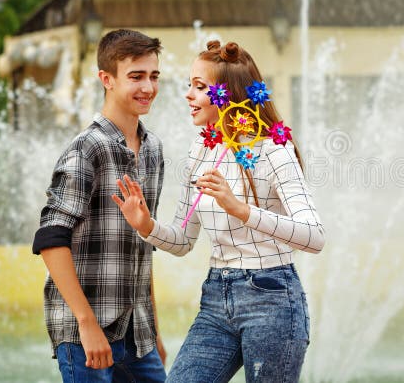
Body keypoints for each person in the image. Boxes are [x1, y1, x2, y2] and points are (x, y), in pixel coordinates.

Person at [112, 40, 325, 382]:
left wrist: (241, 209)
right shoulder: (202, 149)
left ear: (228, 95)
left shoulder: (273, 148)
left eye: (199, 87)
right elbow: (183, 241)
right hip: (216, 299)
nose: (188, 95)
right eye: (189, 86)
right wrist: (146, 225)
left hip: (272, 298)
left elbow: (314, 237)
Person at [32, 29, 167, 383]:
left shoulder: (153, 150)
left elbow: (143, 245)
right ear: (106, 79)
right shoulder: (87, 148)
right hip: (85, 333)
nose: (148, 87)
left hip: (137, 334)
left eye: (153, 76)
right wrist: (86, 324)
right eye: (135, 77)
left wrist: (155, 332)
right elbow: (49, 240)